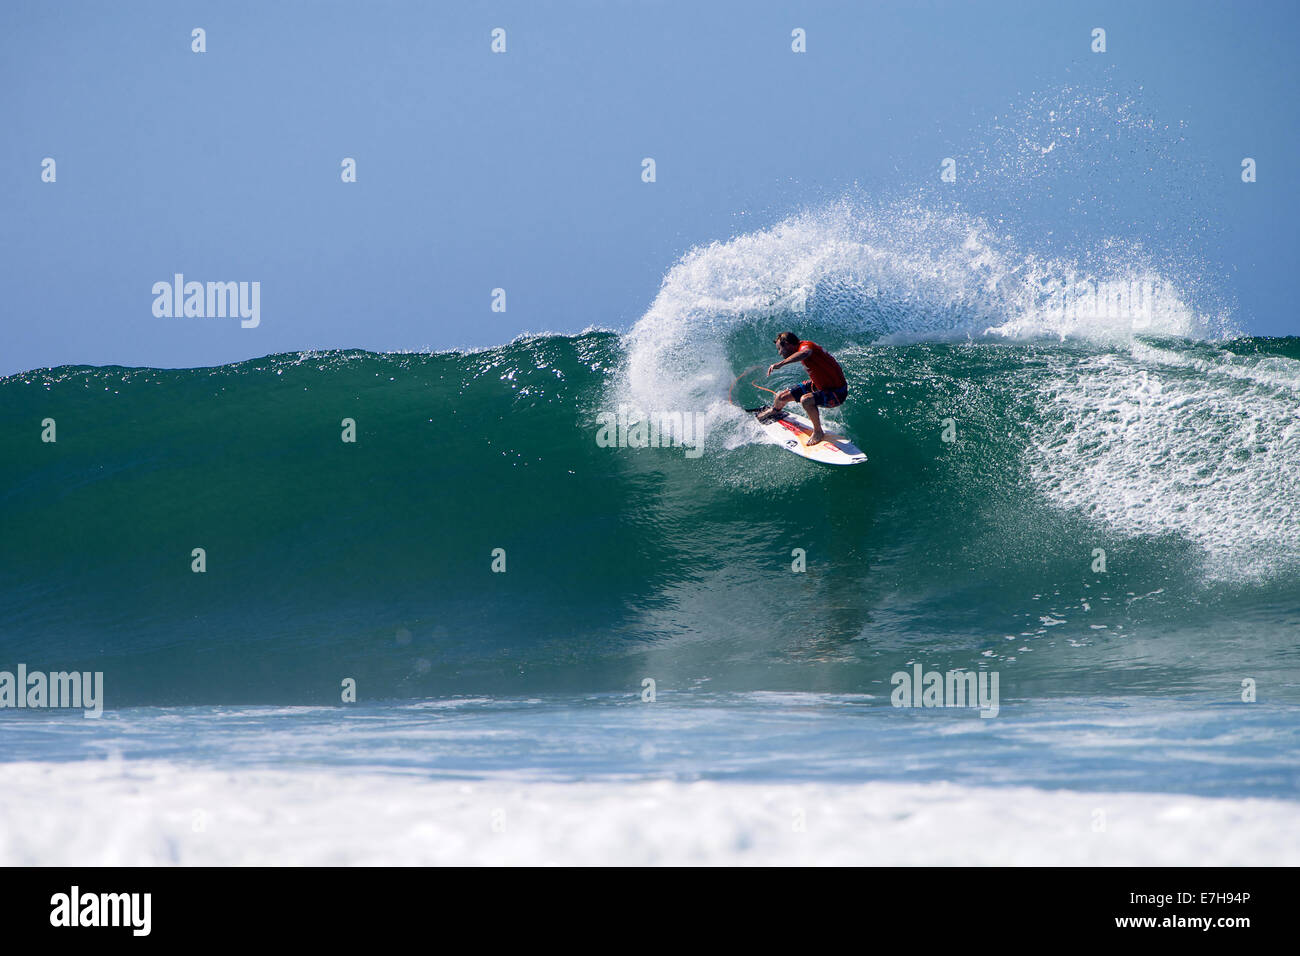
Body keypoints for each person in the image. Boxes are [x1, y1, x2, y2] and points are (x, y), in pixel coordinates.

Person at [759, 332, 848, 446]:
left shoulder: (806, 346)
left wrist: (781, 364)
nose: (779, 353)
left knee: (806, 400)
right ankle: (775, 411)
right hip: (818, 385)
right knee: (780, 397)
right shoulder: (801, 348)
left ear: (787, 344)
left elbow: (805, 353)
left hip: (836, 392)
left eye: (780, 348)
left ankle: (818, 431)